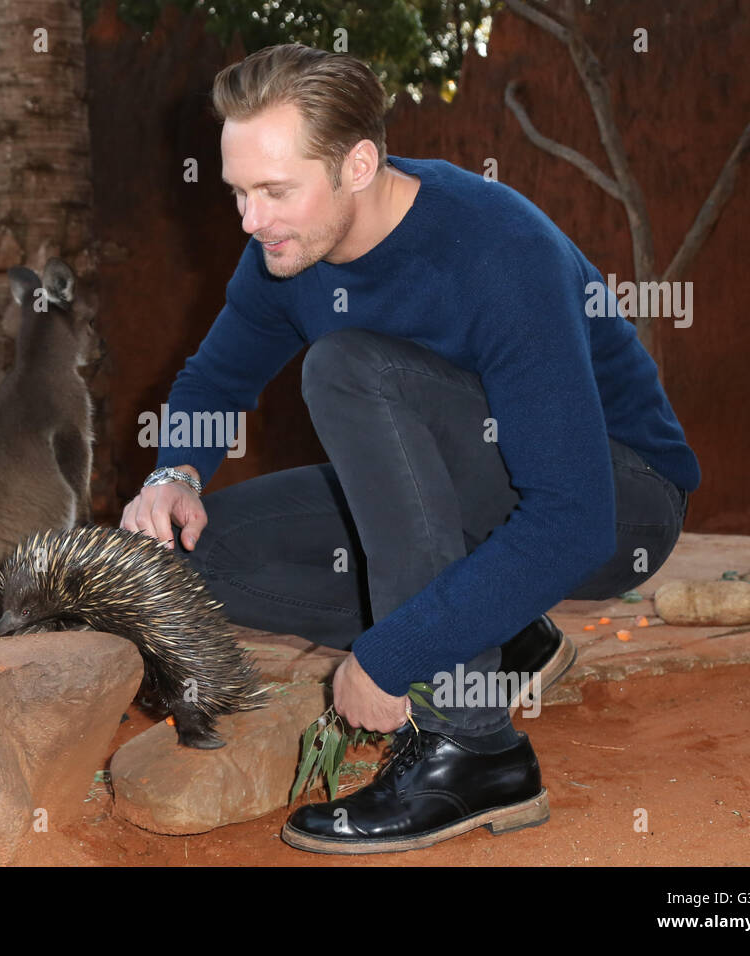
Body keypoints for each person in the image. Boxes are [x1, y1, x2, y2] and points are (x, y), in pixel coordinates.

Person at [120, 43, 698, 854]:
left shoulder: (498, 252)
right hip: (468, 492)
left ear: (358, 164)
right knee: (182, 561)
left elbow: (574, 520)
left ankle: (474, 752)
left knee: (349, 369)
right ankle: (505, 626)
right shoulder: (285, 253)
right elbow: (215, 378)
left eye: (275, 192)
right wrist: (176, 470)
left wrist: (397, 655)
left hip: (618, 498)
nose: (251, 223)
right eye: (239, 193)